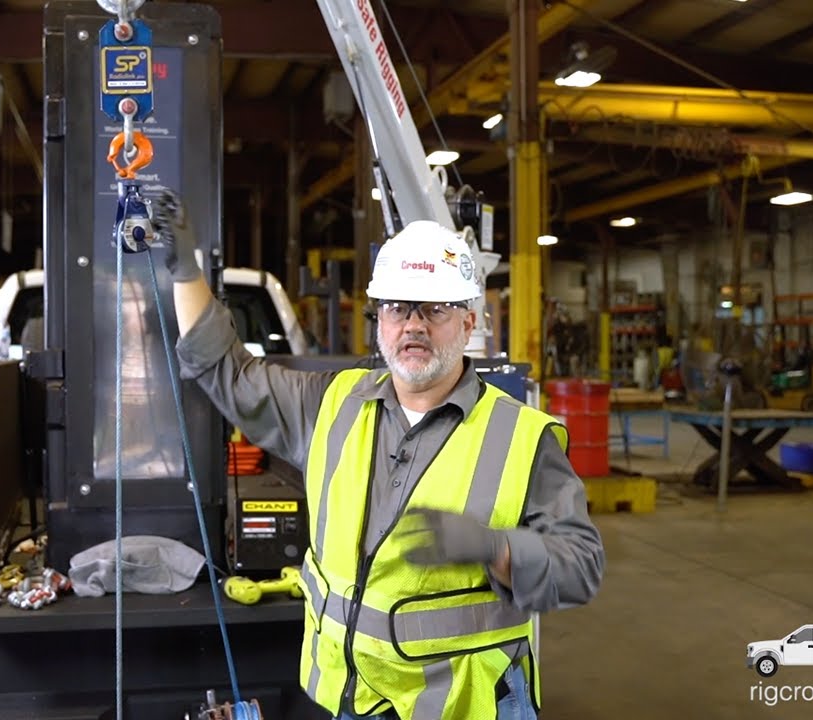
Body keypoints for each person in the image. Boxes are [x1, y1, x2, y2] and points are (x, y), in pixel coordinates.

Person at [152, 191, 605, 720]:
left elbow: (582, 568)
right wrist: (185, 269)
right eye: (396, 307)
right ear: (379, 322)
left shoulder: (523, 438)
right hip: (350, 700)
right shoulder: (332, 404)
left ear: (467, 322)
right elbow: (226, 371)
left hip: (463, 707)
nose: (413, 324)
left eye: (434, 308)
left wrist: (497, 548)